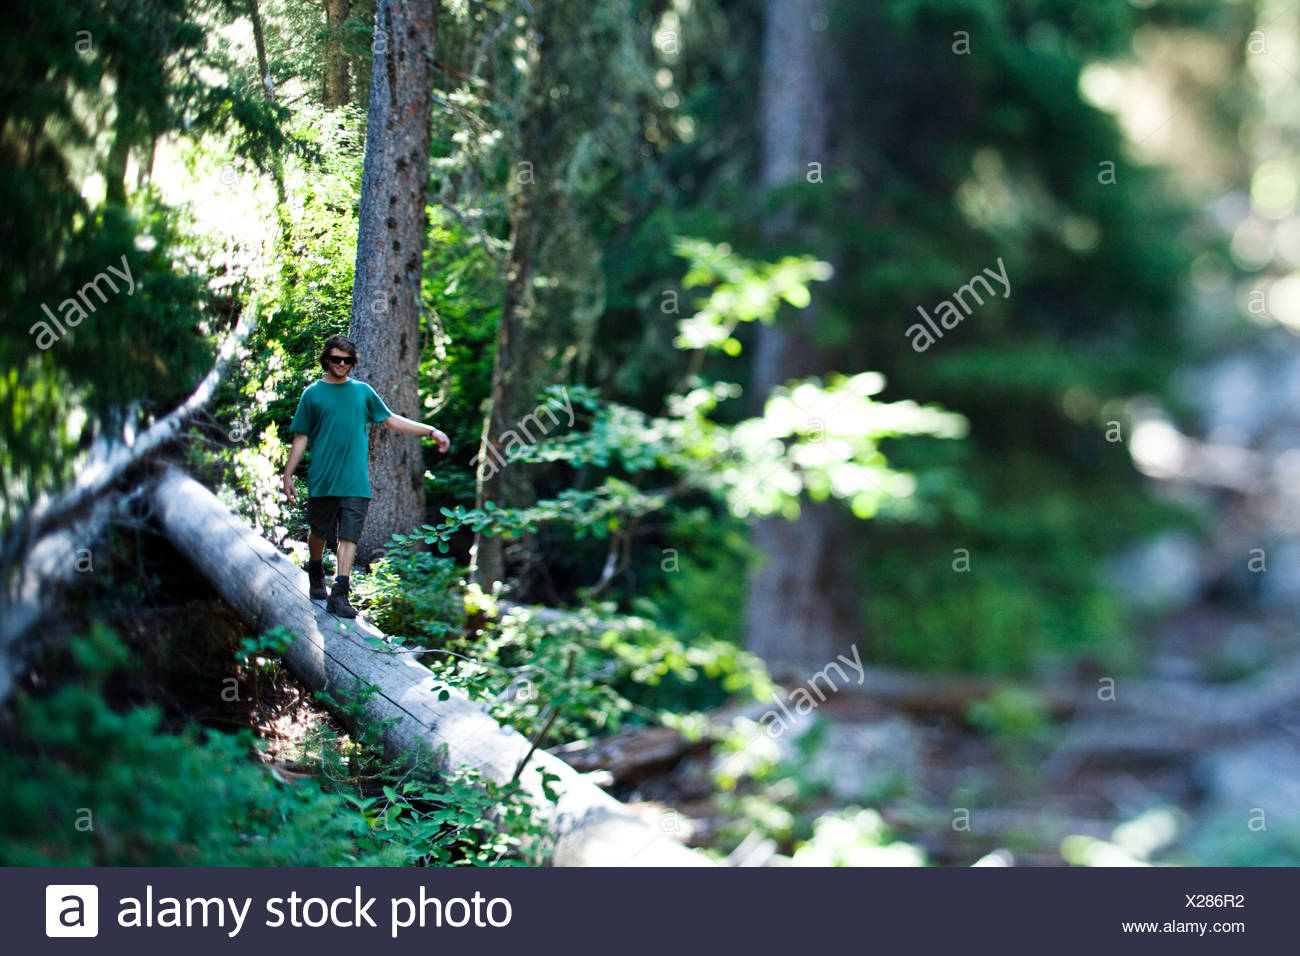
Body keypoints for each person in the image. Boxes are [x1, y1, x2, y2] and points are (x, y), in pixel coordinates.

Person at [281, 334, 450, 618]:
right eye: (336, 359)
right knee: (319, 533)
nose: (342, 365)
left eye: (347, 361)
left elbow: (392, 419)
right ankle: (315, 566)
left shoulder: (363, 392)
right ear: (326, 359)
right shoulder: (312, 394)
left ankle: (340, 593)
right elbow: (300, 438)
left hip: (355, 480)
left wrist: (430, 431)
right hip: (323, 477)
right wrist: (287, 475)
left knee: (349, 536)